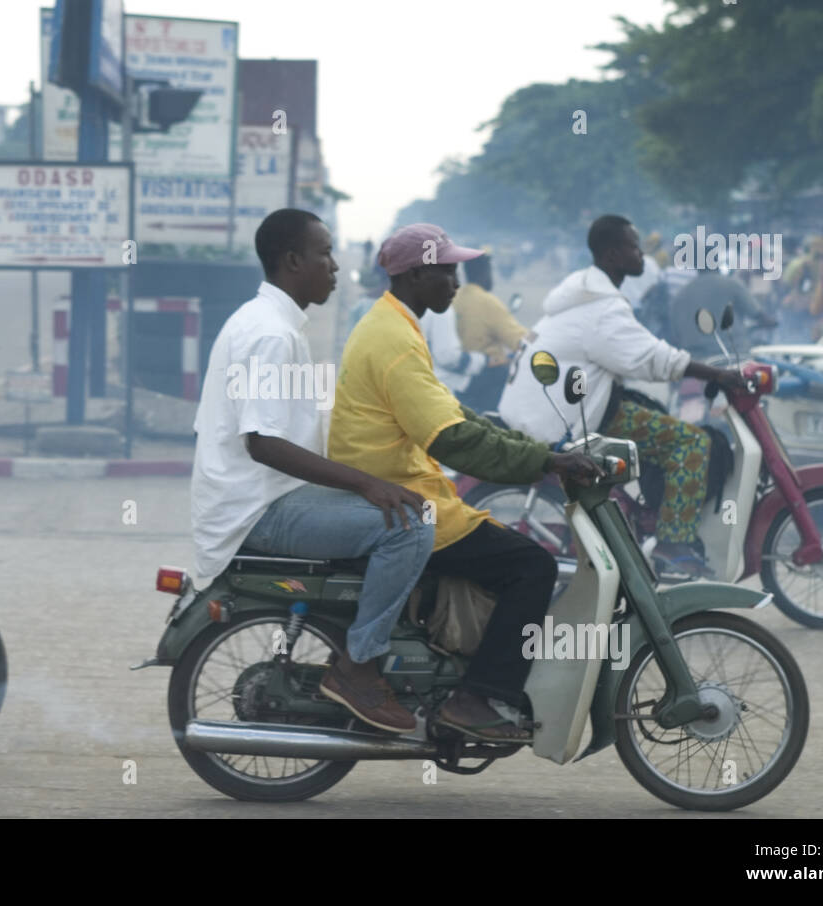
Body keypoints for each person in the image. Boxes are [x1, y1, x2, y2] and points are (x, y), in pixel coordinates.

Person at [329, 223, 600, 743]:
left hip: (407, 488)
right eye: (446, 270)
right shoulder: (393, 338)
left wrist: (535, 448)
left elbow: (454, 412)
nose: (456, 281)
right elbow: (453, 439)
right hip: (402, 501)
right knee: (532, 564)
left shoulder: (398, 325)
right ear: (413, 275)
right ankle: (476, 697)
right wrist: (544, 463)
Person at [192, 208, 436, 735]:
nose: (334, 266)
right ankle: (359, 668)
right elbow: (264, 443)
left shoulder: (271, 324)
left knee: (397, 502)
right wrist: (367, 483)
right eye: (325, 253)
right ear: (292, 260)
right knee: (413, 525)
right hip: (260, 509)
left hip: (266, 498)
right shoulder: (271, 335)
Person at [499, 215, 743, 577]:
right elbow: (648, 357)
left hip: (545, 409)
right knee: (691, 443)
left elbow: (639, 350)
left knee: (655, 413)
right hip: (568, 418)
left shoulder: (582, 296)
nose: (641, 252)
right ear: (612, 255)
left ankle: (645, 514)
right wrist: (719, 374)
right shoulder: (600, 307)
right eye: (633, 245)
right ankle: (672, 542)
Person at [451, 251, 527, 411]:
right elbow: (519, 340)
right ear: (484, 272)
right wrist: (539, 336)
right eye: (490, 271)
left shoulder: (454, 298)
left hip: (457, 376)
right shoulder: (487, 302)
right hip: (486, 377)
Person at [668, 264, 775, 359]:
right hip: (736, 355)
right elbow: (758, 315)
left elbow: (675, 334)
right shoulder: (731, 284)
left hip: (697, 362)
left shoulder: (682, 294)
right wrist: (772, 322)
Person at [779, 234, 823, 342]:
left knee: (796, 336)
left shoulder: (799, 263)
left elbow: (787, 283)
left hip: (800, 306)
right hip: (819, 306)